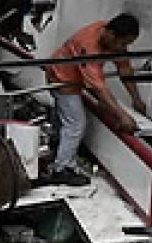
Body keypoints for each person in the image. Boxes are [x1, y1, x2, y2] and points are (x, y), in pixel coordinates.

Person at [42, 14, 144, 186]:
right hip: (61, 78)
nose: (123, 48)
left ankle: (59, 149)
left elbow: (124, 68)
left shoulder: (111, 36)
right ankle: (61, 169)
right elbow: (98, 87)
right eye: (123, 43)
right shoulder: (88, 46)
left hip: (76, 78)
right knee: (75, 123)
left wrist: (136, 99)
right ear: (111, 35)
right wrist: (122, 117)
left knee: (67, 119)